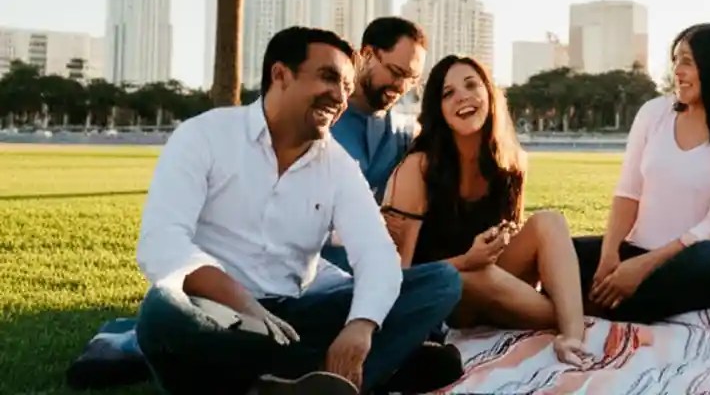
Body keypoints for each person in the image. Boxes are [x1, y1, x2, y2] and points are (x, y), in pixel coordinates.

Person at [132, 27, 463, 395]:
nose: (339, 97)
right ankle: (325, 377)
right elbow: (161, 243)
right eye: (328, 78)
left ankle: (303, 380)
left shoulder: (338, 165)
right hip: (215, 312)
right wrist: (243, 304)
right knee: (160, 313)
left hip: (296, 318)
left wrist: (361, 325)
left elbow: (377, 255)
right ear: (280, 75)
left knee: (441, 283)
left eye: (347, 87)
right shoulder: (204, 136)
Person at [380, 55, 591, 367]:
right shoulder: (418, 169)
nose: (462, 96)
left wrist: (501, 243)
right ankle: (576, 313)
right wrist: (467, 261)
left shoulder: (512, 163)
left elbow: (518, 246)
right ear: (439, 110)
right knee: (482, 275)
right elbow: (394, 277)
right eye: (448, 93)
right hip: (441, 293)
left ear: (490, 94)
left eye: (471, 85)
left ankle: (572, 335)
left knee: (550, 221)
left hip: (494, 284)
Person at [573, 23, 710, 323]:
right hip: (636, 251)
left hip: (699, 260)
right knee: (566, 255)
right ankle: (618, 303)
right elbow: (628, 192)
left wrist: (643, 267)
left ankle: (603, 306)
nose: (677, 70)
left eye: (687, 62)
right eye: (676, 60)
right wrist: (609, 254)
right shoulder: (653, 113)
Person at [323, 17, 427, 272]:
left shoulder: (404, 134)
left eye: (411, 79)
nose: (402, 87)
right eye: (396, 72)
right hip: (312, 276)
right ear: (367, 55)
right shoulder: (318, 119)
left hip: (379, 275)